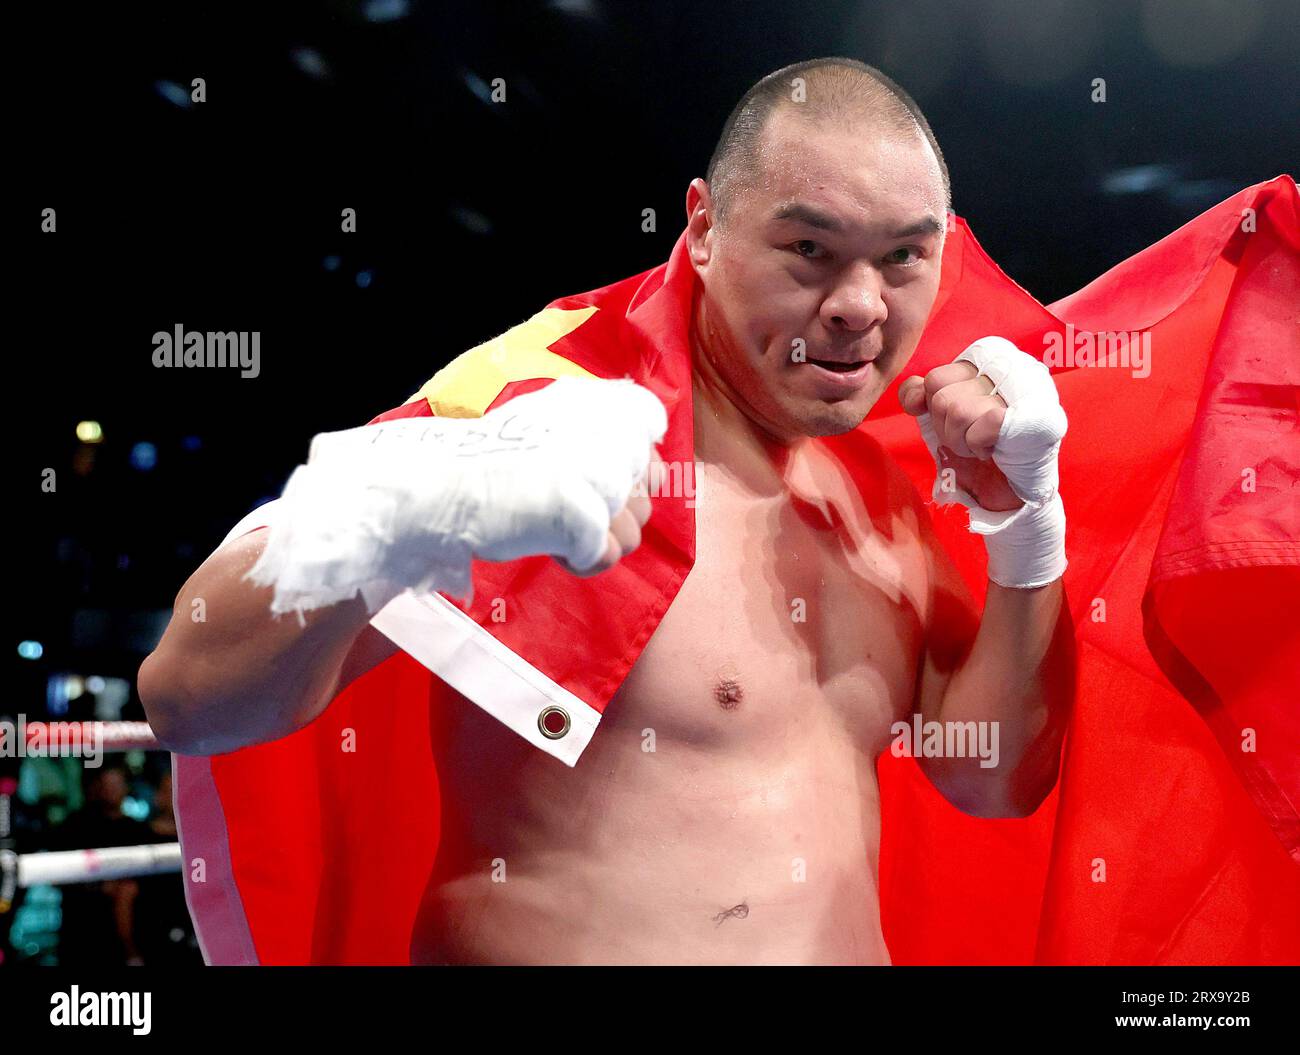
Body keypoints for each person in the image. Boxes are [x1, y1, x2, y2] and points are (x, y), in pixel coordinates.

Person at [140, 57, 1077, 965]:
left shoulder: (888, 503)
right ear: (703, 229)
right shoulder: (553, 414)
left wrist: (1029, 528)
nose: (859, 304)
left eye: (903, 255)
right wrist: (409, 508)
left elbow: (995, 779)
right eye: (809, 249)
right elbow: (187, 694)